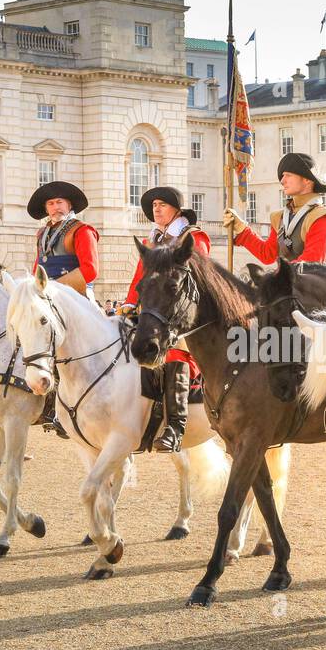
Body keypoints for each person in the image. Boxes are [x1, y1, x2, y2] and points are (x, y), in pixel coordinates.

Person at [120, 186, 212, 452]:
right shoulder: (154, 241)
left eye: (162, 204)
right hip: (158, 311)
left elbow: (199, 276)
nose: (156, 209)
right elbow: (140, 278)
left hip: (188, 313)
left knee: (174, 353)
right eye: (154, 205)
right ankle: (142, 419)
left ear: (177, 210)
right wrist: (129, 303)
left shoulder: (193, 237)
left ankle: (175, 427)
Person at [221, 152, 326, 264]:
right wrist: (241, 227)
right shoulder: (280, 217)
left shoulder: (322, 219)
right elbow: (267, 254)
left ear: (306, 180)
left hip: (312, 287)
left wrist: (275, 279)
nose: (282, 180)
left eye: (288, 175)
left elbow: (310, 264)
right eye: (283, 176)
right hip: (285, 284)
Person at [28, 181, 99, 300]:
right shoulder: (42, 234)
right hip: (45, 295)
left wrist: (53, 288)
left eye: (59, 202)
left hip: (76, 294)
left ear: (69, 205)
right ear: (46, 209)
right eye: (51, 204)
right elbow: (37, 268)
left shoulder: (82, 230)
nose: (56, 207)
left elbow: (90, 270)